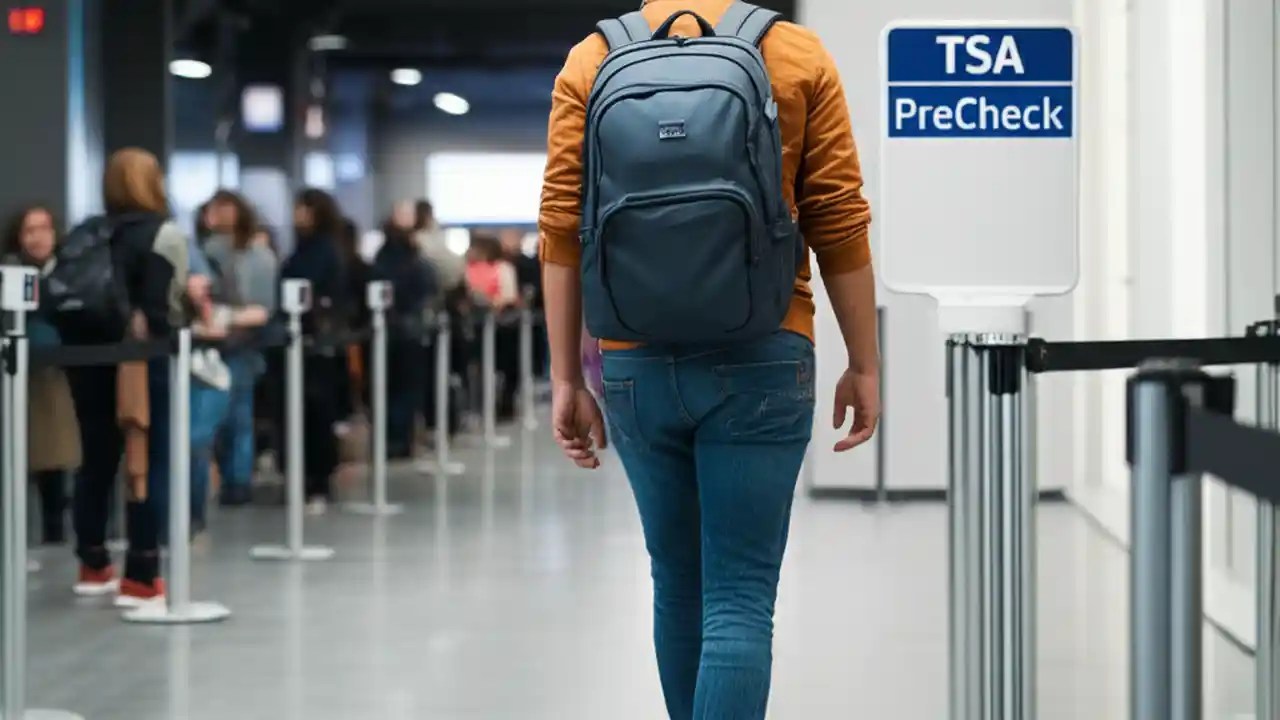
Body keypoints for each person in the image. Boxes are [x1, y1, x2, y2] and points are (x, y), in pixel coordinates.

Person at [539, 2, 879, 718]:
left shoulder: (590, 61)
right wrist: (865, 362)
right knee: (739, 598)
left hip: (634, 358)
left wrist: (567, 377)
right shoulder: (797, 54)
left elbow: (561, 228)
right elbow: (838, 214)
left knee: (677, 583)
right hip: (765, 348)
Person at [64, 148, 189, 606]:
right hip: (140, 361)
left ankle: (93, 562)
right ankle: (142, 571)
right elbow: (161, 309)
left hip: (86, 360)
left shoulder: (87, 233)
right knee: (147, 459)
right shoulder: (163, 234)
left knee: (96, 459)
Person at [2, 206, 80, 545]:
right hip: (15, 372)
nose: (38, 237)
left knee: (53, 454)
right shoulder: (10, 271)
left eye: (44, 228)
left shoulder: (71, 272)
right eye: (29, 230)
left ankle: (54, 528)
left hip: (57, 374)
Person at [199, 190, 278, 509]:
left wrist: (225, 317)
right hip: (214, 342)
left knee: (239, 417)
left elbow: (262, 308)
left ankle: (238, 482)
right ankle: (227, 480)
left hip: (241, 344)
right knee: (220, 419)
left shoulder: (257, 255)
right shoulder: (209, 249)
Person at [281, 188, 345, 514]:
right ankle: (304, 477)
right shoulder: (303, 249)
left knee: (318, 413)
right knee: (302, 413)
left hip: (316, 346)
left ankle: (319, 480)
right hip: (301, 344)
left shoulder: (323, 251)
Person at [373, 205, 438, 457]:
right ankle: (401, 439)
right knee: (406, 390)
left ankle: (393, 438)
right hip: (408, 331)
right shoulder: (413, 258)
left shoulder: (384, 257)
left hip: (391, 330)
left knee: (392, 388)